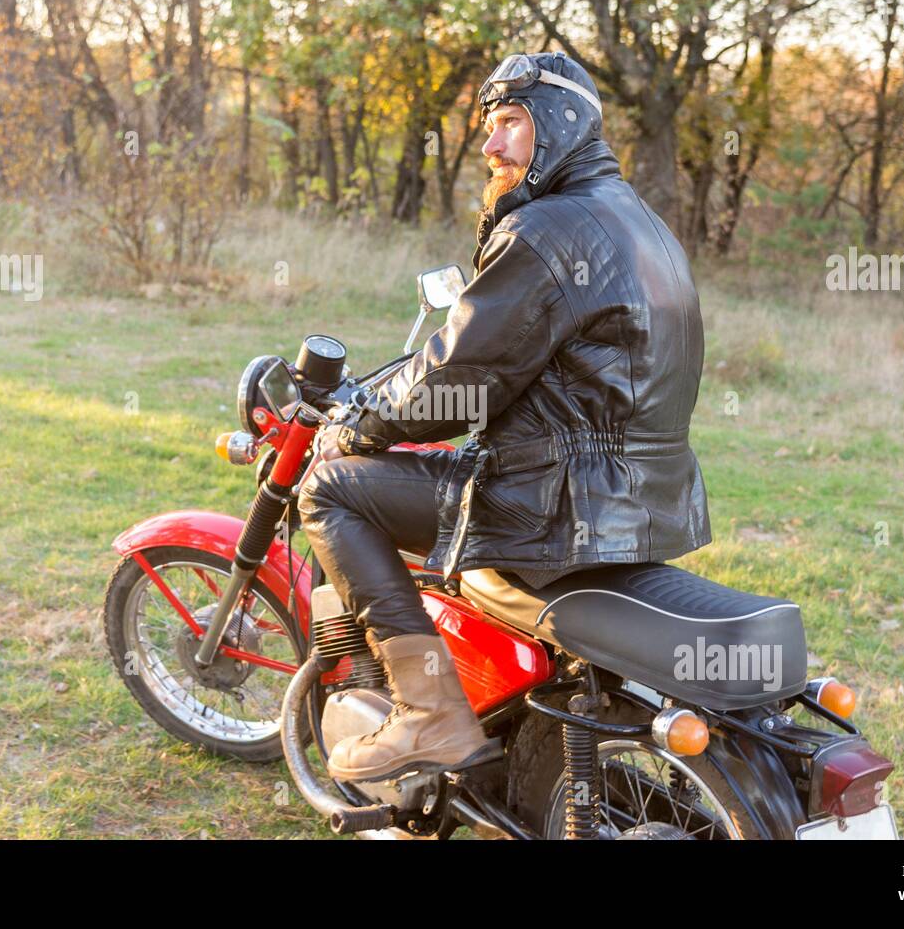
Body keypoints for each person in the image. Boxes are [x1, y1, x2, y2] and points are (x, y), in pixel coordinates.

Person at [297, 51, 711, 783]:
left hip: (552, 507)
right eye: (489, 127)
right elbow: (517, 361)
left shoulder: (547, 230)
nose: (490, 146)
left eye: (510, 123)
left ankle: (429, 711)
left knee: (332, 490)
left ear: (560, 125)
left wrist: (356, 427)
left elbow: (458, 380)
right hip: (649, 506)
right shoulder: (644, 224)